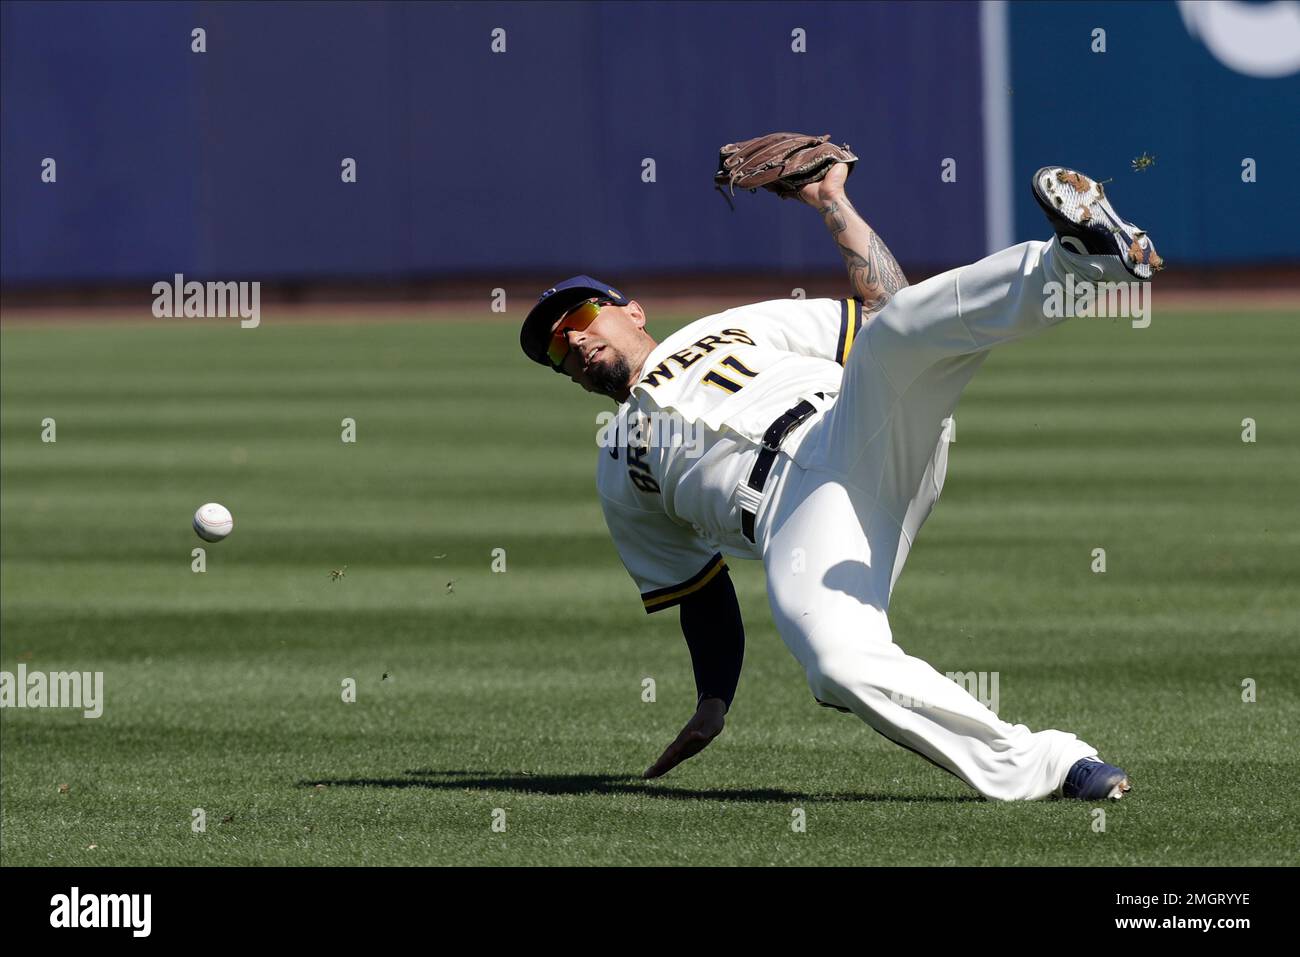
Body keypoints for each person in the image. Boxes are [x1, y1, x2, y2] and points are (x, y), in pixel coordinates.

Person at [518, 164, 1160, 801]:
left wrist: (832, 202)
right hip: (797, 523)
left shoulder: (721, 329)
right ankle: (1052, 766)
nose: (570, 341)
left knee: (894, 335)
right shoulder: (616, 467)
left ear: (631, 311)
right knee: (834, 664)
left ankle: (1074, 266)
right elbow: (699, 591)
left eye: (579, 316)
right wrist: (712, 701)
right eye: (554, 350)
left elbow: (887, 307)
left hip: (850, 428)